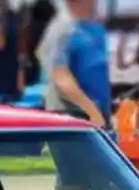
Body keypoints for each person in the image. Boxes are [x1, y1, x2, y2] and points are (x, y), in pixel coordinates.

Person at [38, 0, 112, 130]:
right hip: (72, 116)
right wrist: (92, 111)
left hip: (99, 114)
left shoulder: (97, 29)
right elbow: (60, 77)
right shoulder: (62, 30)